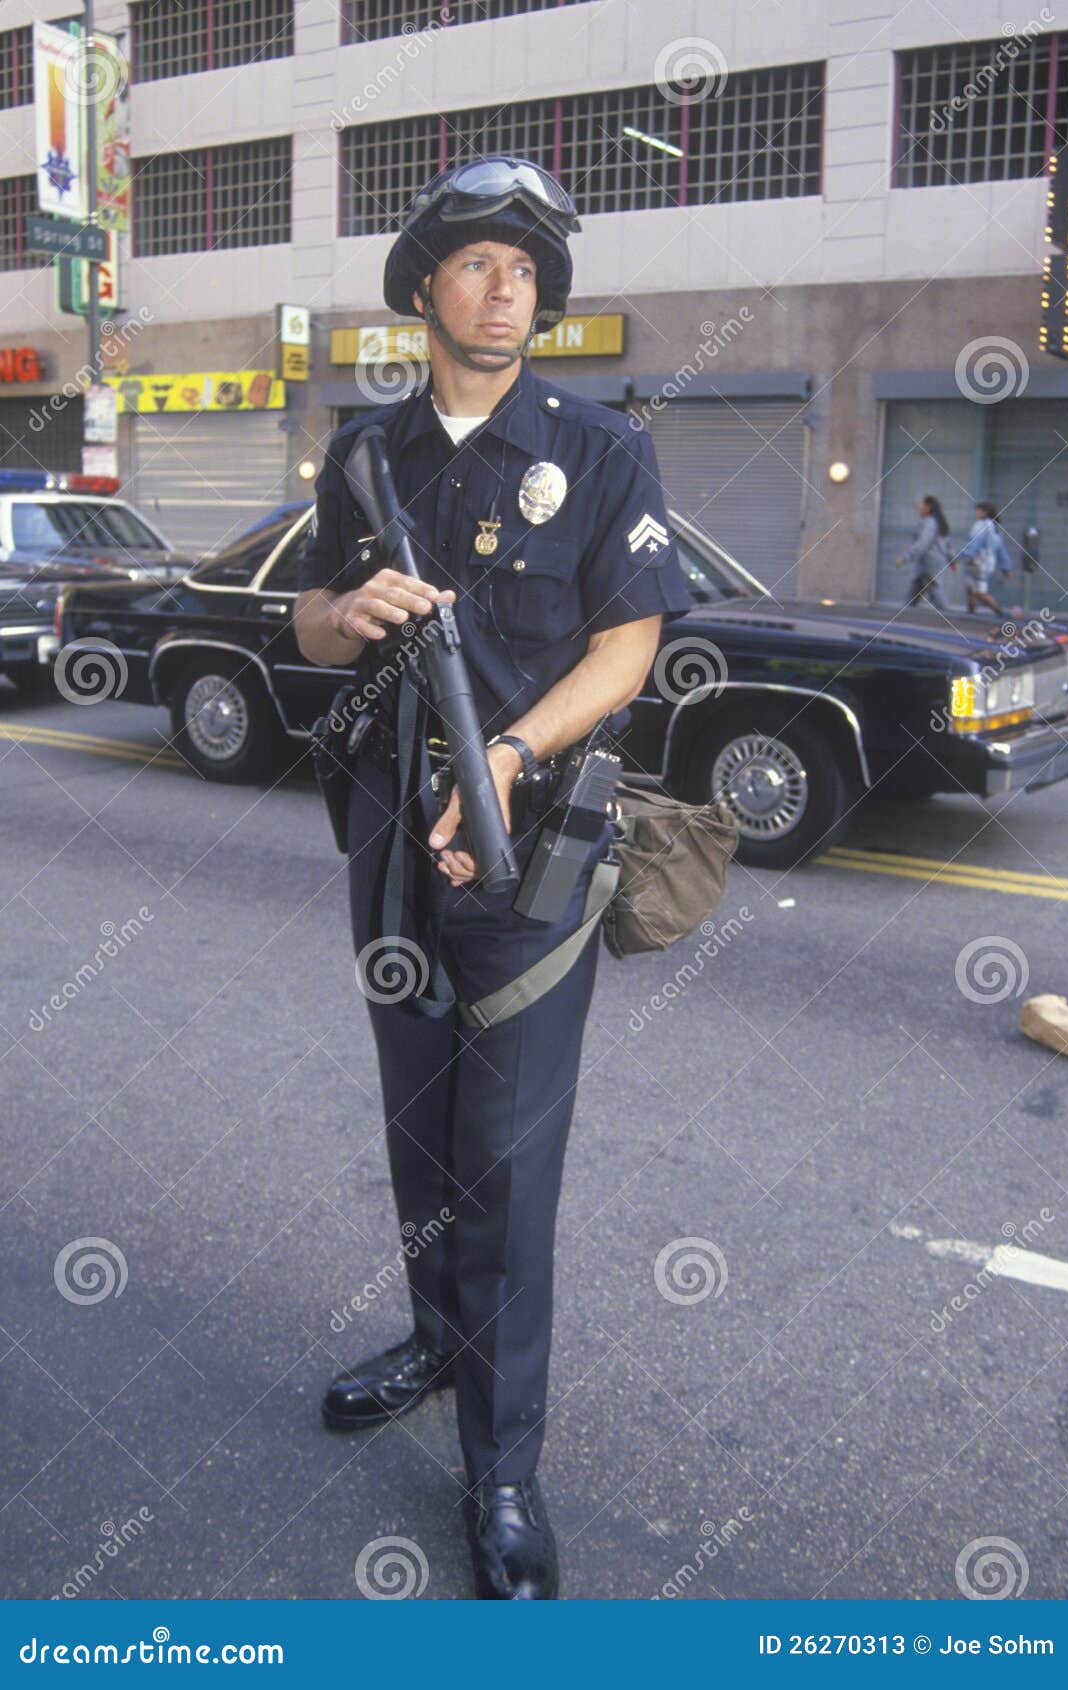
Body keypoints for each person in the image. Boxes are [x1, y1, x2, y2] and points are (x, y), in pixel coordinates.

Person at [293, 154, 692, 1600]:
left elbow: (629, 642)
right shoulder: (362, 454)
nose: (505, 279)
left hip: (525, 857)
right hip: (391, 852)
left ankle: (501, 1468)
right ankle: (427, 1339)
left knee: (506, 1169)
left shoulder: (595, 448)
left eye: (526, 263)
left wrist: (509, 752)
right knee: (418, 1134)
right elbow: (307, 626)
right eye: (475, 257)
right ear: (421, 291)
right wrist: (350, 605)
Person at [896, 493, 955, 610]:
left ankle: (949, 618)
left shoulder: (929, 523)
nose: (919, 507)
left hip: (928, 562)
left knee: (935, 593)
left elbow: (923, 543)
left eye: (921, 504)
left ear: (928, 507)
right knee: (915, 591)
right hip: (934, 562)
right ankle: (903, 614)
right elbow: (947, 544)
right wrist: (952, 559)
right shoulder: (939, 522)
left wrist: (906, 557)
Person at [955, 500, 1012, 616]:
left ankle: (999, 611)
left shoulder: (982, 526)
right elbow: (1001, 549)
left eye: (978, 510)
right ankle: (971, 612)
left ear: (985, 512)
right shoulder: (996, 528)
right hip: (988, 562)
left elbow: (974, 544)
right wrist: (1006, 567)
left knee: (979, 591)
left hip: (979, 562)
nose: (976, 513)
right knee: (970, 587)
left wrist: (960, 556)